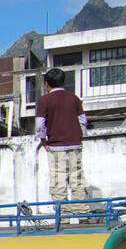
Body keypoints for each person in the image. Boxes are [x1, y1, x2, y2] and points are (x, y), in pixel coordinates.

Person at [35, 67, 89, 211]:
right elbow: (83, 121)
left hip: (56, 147)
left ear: (46, 84)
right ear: (63, 82)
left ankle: (63, 218)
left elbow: (40, 125)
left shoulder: (44, 100)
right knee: (77, 181)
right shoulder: (74, 98)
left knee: (59, 183)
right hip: (75, 146)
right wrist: (79, 137)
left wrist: (44, 141)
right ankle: (82, 214)